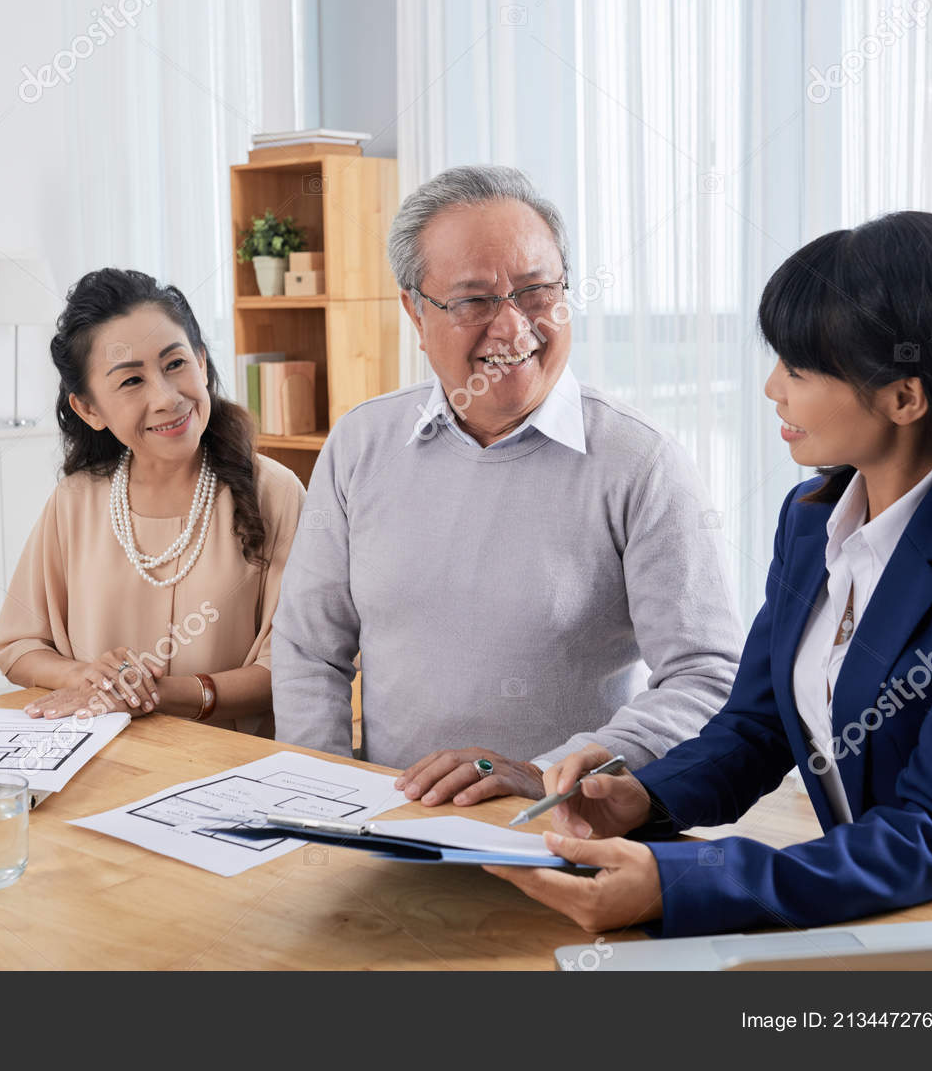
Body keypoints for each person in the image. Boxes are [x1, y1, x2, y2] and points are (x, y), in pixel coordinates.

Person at [486, 211, 932, 935]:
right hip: (875, 916)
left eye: (798, 367)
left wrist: (680, 882)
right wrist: (643, 797)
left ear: (904, 397)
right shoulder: (809, 518)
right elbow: (759, 727)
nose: (771, 388)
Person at [272, 164, 743, 806]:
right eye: (474, 301)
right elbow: (309, 649)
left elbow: (705, 677)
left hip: (559, 830)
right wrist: (325, 799)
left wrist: (543, 773)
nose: (514, 327)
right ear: (414, 310)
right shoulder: (361, 444)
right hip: (386, 828)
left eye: (536, 291)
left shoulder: (641, 462)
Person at [0, 268, 304, 733]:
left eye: (175, 363)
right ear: (90, 409)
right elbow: (18, 647)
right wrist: (88, 676)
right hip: (100, 760)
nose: (166, 397)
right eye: (131, 381)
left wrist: (157, 694)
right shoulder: (75, 501)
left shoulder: (275, 493)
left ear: (201, 360)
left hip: (231, 769)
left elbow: (296, 667)